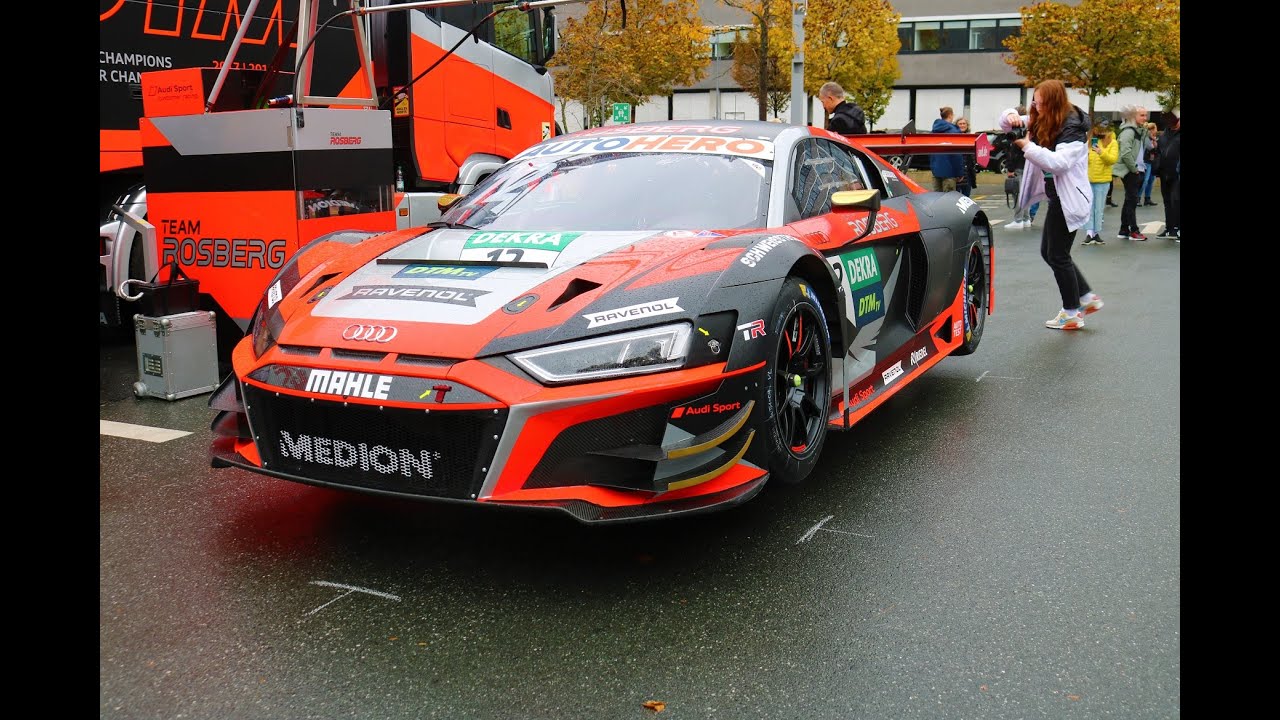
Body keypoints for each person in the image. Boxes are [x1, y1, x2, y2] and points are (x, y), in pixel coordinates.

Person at [998, 79, 1102, 331]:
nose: (1036, 106)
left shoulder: (1073, 129)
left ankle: (1071, 312)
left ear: (1054, 103)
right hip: (1060, 198)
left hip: (1069, 200)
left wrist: (1027, 147)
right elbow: (1005, 123)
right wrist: (1012, 115)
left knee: (1056, 255)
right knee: (1052, 253)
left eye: (1041, 103)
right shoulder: (1048, 117)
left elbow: (1059, 163)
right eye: (1034, 101)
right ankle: (1086, 297)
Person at [1111, 104, 1149, 240]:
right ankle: (1134, 230)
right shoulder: (1129, 132)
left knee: (1129, 200)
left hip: (1136, 169)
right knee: (1132, 201)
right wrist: (1134, 169)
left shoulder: (1137, 130)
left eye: (1146, 115)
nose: (1146, 117)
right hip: (1131, 170)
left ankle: (1123, 230)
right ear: (1133, 116)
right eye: (1142, 115)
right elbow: (1125, 153)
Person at [1082, 119, 1119, 245]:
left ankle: (1096, 232)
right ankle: (1089, 232)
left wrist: (1100, 152)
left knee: (1099, 208)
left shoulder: (1113, 143)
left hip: (1103, 180)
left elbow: (1112, 160)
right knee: (1088, 207)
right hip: (1088, 179)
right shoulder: (1090, 142)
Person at [1155, 108, 1180, 241]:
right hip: (1164, 173)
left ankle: (1177, 228)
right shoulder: (1165, 134)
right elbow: (1160, 150)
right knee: (1167, 202)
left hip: (1177, 174)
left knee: (1176, 200)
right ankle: (1170, 228)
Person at [929, 106, 964, 193]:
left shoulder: (934, 130)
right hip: (950, 171)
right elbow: (957, 154)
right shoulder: (954, 130)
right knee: (949, 199)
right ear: (950, 115)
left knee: (937, 198)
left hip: (936, 170)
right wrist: (960, 172)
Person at [955, 117, 977, 197]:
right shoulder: (954, 137)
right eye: (960, 124)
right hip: (957, 173)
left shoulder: (971, 137)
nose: (962, 125)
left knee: (967, 198)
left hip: (968, 173)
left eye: (964, 123)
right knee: (956, 198)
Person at [1141, 121, 1160, 206]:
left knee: (1151, 180)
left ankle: (1147, 198)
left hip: (1153, 161)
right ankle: (1137, 198)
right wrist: (1154, 141)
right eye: (1155, 129)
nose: (1156, 130)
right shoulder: (1146, 138)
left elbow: (1157, 148)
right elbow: (1151, 147)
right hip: (1146, 160)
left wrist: (1155, 141)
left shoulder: (1154, 137)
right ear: (1151, 130)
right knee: (1145, 180)